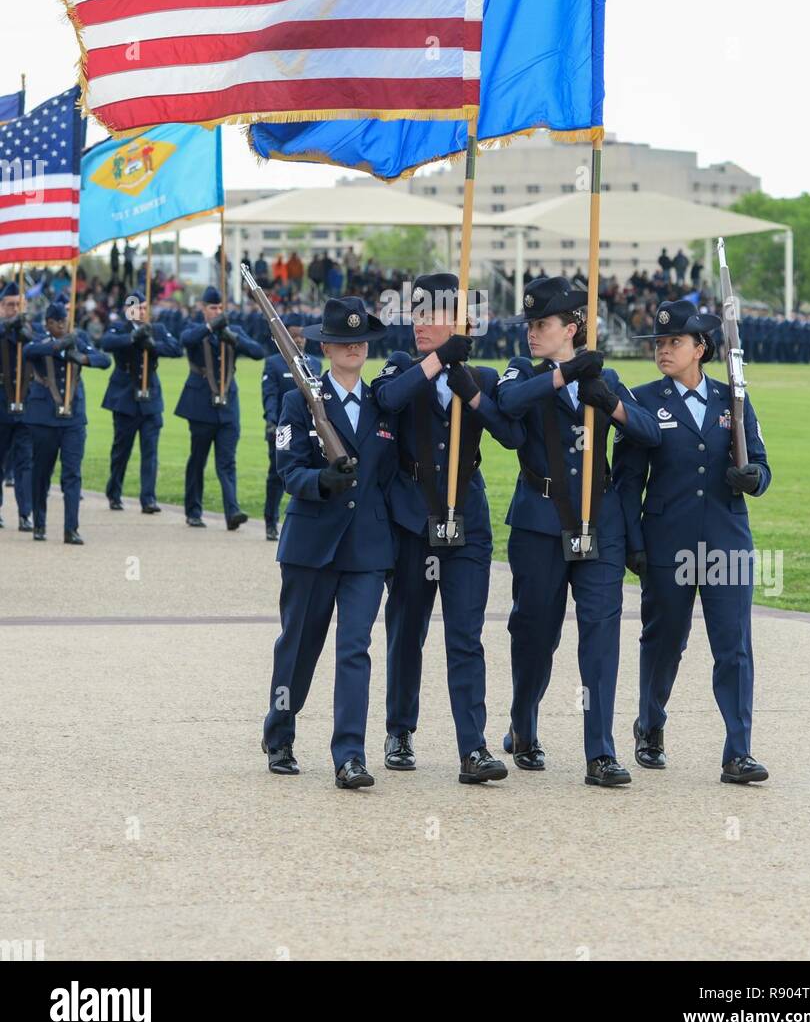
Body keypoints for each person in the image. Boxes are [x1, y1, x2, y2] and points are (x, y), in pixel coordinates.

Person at [496, 277, 661, 785]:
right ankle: (523, 722)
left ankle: (601, 751)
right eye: (529, 324)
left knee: (601, 636)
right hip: (540, 524)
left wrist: (607, 401)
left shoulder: (603, 374)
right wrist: (565, 374)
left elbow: (649, 430)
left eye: (542, 324)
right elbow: (508, 404)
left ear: (571, 327)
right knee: (534, 634)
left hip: (600, 522)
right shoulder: (523, 370)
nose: (532, 333)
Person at [372, 272, 523, 785]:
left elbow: (511, 435)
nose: (419, 323)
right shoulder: (402, 368)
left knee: (465, 635)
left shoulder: (479, 376)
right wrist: (437, 360)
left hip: (467, 519)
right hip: (414, 519)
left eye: (432, 314)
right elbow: (388, 400)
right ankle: (399, 731)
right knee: (406, 629)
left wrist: (474, 396)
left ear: (460, 320)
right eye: (415, 313)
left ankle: (473, 748)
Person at [613, 298, 772, 784]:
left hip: (726, 541)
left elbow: (763, 466)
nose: (663, 350)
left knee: (734, 646)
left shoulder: (734, 399)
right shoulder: (640, 401)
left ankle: (738, 751)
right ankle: (650, 725)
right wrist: (634, 544)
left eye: (674, 342)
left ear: (700, 348)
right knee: (665, 642)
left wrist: (753, 478)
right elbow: (626, 482)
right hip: (667, 544)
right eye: (659, 343)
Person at [262, 297, 396, 788]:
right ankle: (280, 732)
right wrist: (323, 480)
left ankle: (350, 755)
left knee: (354, 648)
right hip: (312, 544)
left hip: (366, 547)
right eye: (343, 339)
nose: (353, 346)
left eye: (360, 338)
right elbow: (287, 467)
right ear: (327, 345)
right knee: (298, 645)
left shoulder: (383, 400)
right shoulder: (301, 398)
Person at [175, 285, 265, 530]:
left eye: (219, 307)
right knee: (198, 459)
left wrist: (233, 338)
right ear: (203, 309)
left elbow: (258, 352)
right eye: (212, 307)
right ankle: (193, 511)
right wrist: (210, 327)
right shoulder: (195, 329)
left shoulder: (232, 329)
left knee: (227, 462)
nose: (217, 311)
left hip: (227, 406)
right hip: (201, 404)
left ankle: (232, 511)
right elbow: (185, 340)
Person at [23, 300, 110, 544]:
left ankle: (71, 528)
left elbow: (104, 360)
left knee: (72, 474)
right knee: (42, 473)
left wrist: (81, 358)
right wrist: (57, 345)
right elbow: (28, 352)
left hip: (73, 420)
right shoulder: (40, 340)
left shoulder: (77, 339)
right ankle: (39, 523)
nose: (63, 325)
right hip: (44, 419)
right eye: (57, 322)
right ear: (49, 323)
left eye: (65, 321)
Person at [101, 290, 182, 512]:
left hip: (150, 397)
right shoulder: (120, 327)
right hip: (125, 396)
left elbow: (176, 349)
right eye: (138, 308)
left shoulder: (157, 329)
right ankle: (114, 492)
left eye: (146, 307)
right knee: (121, 450)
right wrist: (132, 339)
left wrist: (152, 344)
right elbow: (106, 343)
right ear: (129, 310)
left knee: (150, 451)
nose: (143, 312)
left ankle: (148, 498)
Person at [261, 325, 321, 541]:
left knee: (310, 474)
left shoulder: (315, 363)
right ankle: (270, 520)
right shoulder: (274, 363)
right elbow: (269, 395)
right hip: (282, 428)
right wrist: (271, 420)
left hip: (310, 430)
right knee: (277, 475)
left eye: (301, 336)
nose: (299, 340)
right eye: (294, 336)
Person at [0, 281, 34, 531]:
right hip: (1, 403)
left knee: (25, 462)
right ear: (1, 308)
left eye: (18, 305)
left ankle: (25, 513)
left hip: (27, 404)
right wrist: (6, 327)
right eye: (10, 305)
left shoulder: (35, 329)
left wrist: (29, 336)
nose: (14, 309)